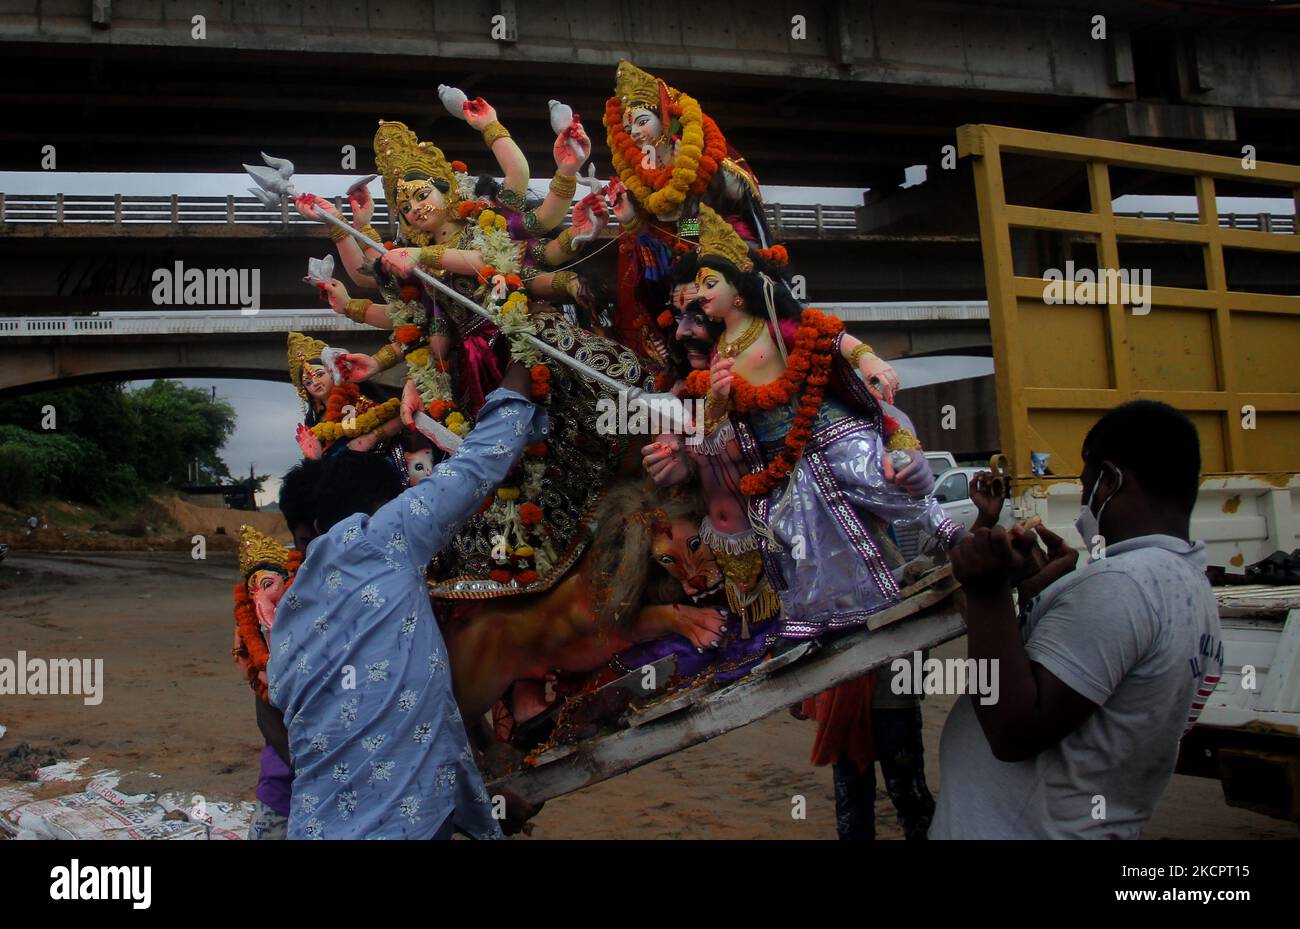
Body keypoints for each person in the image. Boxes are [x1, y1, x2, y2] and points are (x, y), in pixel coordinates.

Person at [267, 362, 545, 839]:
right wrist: (519, 369)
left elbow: (415, 721)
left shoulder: (290, 619)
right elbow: (477, 464)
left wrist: (485, 805)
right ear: (384, 507)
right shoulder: (383, 538)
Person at [930, 400, 1223, 839]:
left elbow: (1014, 731)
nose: (1085, 502)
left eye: (1088, 486)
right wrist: (1038, 591)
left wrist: (987, 592)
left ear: (1110, 480)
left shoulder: (1123, 585)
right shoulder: (1186, 586)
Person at [240, 459, 322, 840]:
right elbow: (265, 704)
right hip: (289, 787)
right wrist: (311, 772)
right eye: (308, 542)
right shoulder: (277, 597)